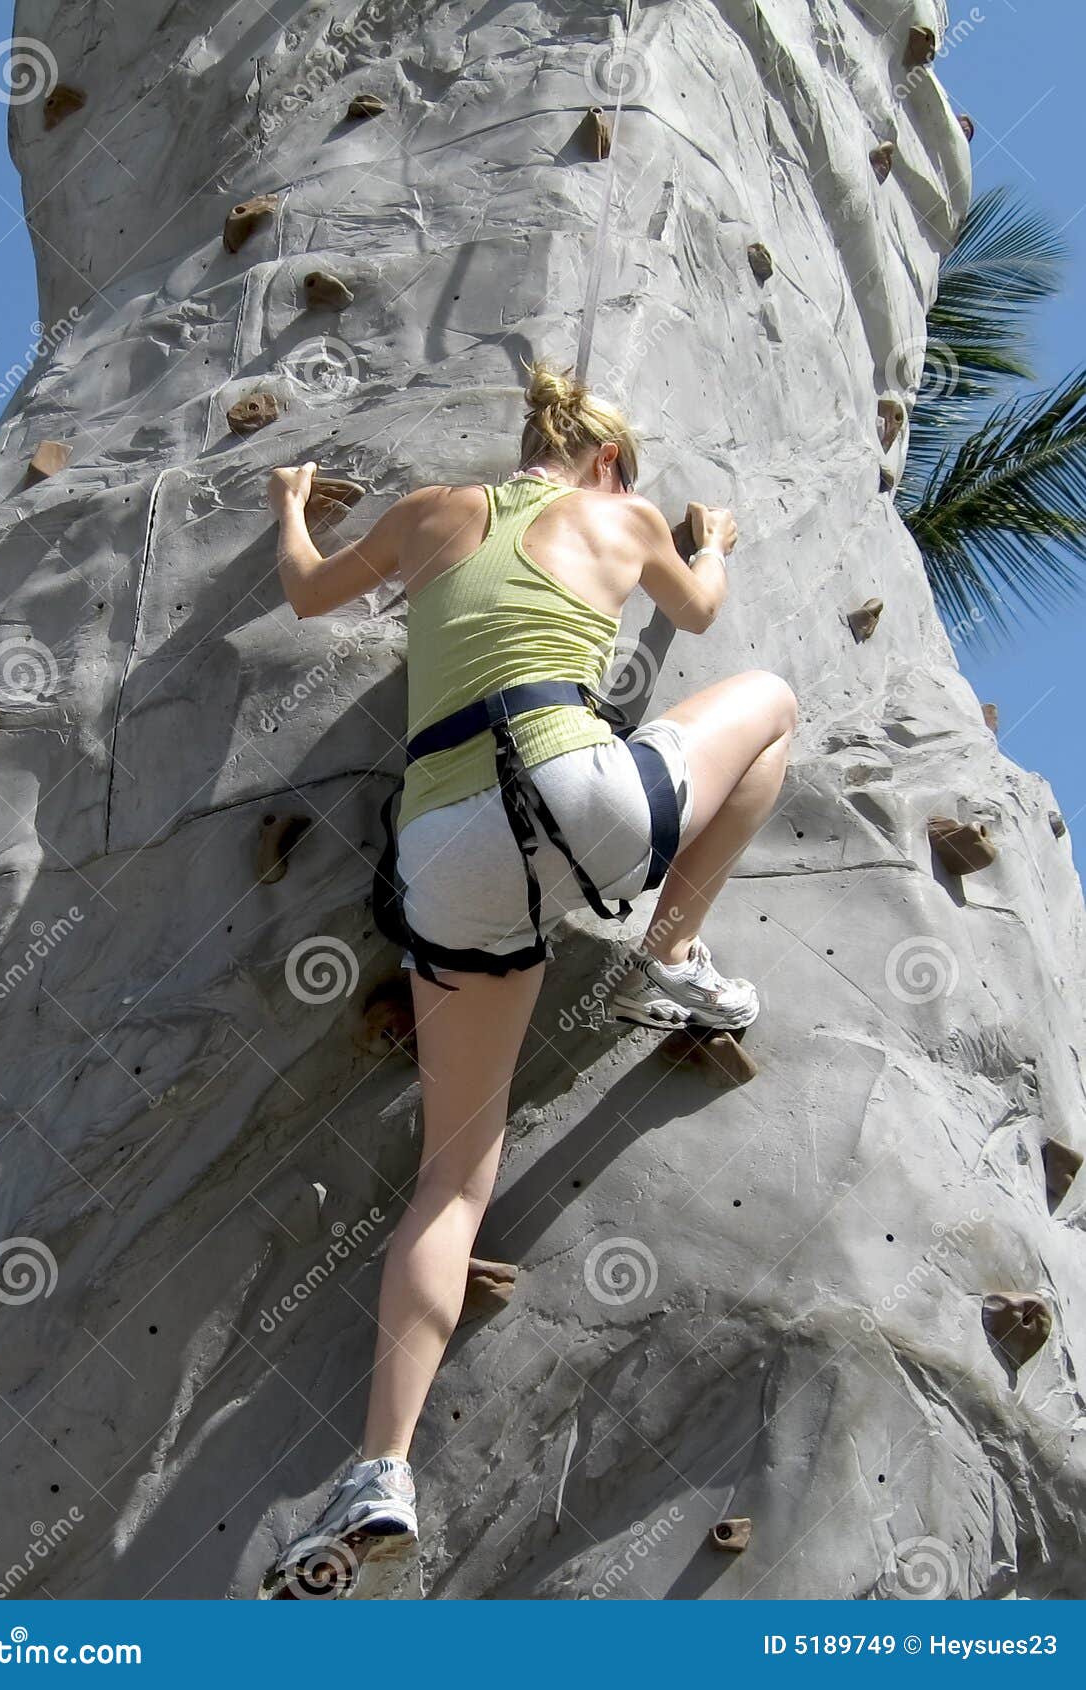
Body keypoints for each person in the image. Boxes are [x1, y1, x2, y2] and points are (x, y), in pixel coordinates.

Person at [264, 365, 797, 1593]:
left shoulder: (427, 515)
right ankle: (668, 958)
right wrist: (703, 538)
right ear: (610, 467)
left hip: (443, 852)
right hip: (580, 792)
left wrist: (293, 499)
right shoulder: (628, 521)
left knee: (449, 1184)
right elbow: (703, 614)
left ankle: (378, 1468)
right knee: (768, 703)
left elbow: (303, 592)